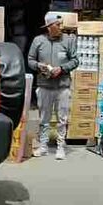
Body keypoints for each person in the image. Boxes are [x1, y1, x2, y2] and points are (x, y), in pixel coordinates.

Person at [27, 11, 79, 160]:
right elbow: (30, 59)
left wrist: (62, 69)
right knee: (44, 118)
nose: (60, 27)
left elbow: (75, 60)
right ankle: (43, 146)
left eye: (60, 24)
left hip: (62, 86)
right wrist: (39, 66)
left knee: (62, 119)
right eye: (57, 25)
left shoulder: (68, 41)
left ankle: (60, 146)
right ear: (49, 26)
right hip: (44, 86)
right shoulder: (38, 41)